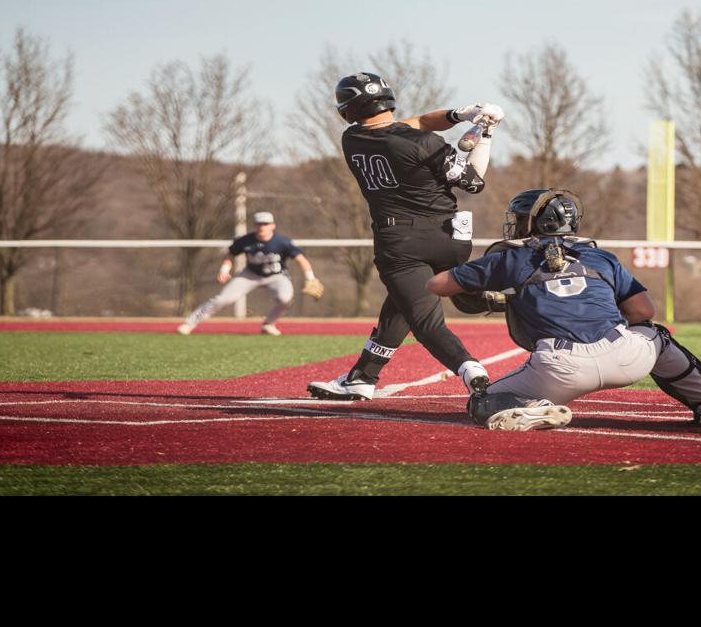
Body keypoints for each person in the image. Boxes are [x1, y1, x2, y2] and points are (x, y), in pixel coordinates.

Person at [426, 188, 701, 431]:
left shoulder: (511, 259)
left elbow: (438, 285)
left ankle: (533, 408)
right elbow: (642, 311)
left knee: (481, 401)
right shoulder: (601, 257)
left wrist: (505, 293)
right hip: (625, 358)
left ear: (533, 222)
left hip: (559, 368)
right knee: (656, 335)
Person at [307, 72, 501, 401]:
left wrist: (461, 115)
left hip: (400, 240)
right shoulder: (425, 143)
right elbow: (474, 182)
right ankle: (362, 376)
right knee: (402, 303)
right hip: (450, 238)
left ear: (348, 110)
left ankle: (471, 370)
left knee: (425, 320)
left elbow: (420, 122)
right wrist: (486, 134)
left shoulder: (352, 138)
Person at [177, 211, 321, 336]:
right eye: (259, 224)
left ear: (273, 226)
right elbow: (230, 256)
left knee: (285, 298)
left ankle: (269, 324)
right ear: (255, 225)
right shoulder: (245, 241)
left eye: (265, 224)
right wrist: (224, 270)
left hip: (276, 276)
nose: (262, 227)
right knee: (223, 299)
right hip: (250, 275)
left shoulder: (282, 242)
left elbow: (301, 260)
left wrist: (310, 278)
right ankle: (190, 323)